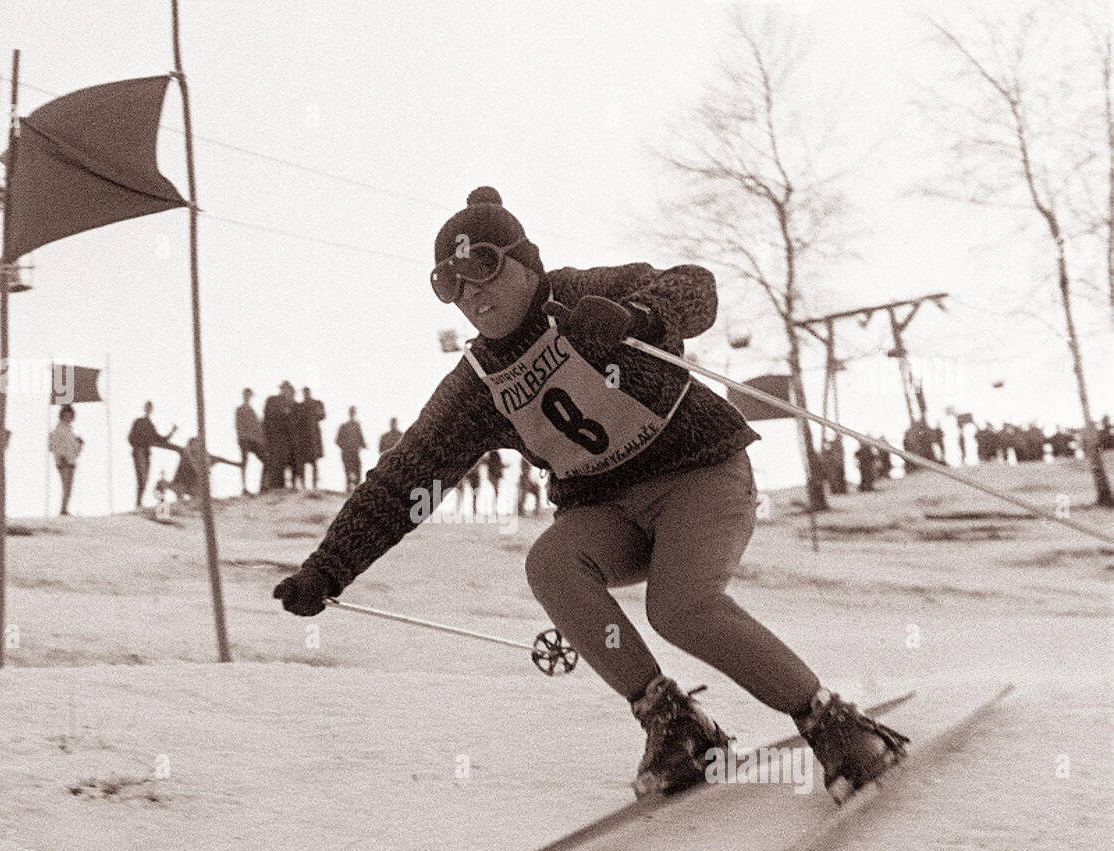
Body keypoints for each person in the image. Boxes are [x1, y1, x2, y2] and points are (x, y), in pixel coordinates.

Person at [273, 186, 905, 802]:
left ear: (524, 260)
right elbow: (405, 478)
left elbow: (697, 288)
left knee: (678, 607)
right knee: (550, 564)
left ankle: (830, 720)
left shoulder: (582, 297)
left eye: (482, 269)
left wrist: (640, 318)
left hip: (699, 473)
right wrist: (328, 569)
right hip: (607, 510)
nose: (471, 294)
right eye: (449, 283)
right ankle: (675, 723)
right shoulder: (478, 384)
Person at [128, 401, 176, 509]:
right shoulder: (139, 422)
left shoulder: (150, 424)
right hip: (139, 451)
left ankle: (139, 503)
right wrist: (140, 444)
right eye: (148, 407)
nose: (149, 409)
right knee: (142, 478)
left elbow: (160, 439)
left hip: (145, 453)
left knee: (144, 479)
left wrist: (172, 432)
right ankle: (138, 503)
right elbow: (131, 438)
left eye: (150, 407)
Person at [262, 382, 299, 491]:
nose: (286, 391)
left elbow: (294, 422)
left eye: (289, 390)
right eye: (285, 389)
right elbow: (267, 418)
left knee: (285, 462)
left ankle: (281, 487)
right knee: (273, 462)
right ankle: (269, 487)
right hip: (274, 437)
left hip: (286, 439)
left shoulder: (292, 404)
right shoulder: (272, 400)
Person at [48, 405, 83, 516]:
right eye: (66, 415)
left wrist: (79, 444)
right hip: (64, 461)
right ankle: (63, 509)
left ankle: (64, 508)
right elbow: (53, 446)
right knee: (66, 486)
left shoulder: (70, 430)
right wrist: (60, 456)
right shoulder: (58, 429)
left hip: (71, 460)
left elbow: (74, 449)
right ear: (62, 415)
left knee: (69, 487)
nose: (68, 417)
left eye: (70, 415)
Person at [235, 388, 266, 495]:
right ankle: (244, 487)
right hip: (245, 439)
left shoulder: (251, 410)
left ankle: (263, 486)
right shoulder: (240, 409)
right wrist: (242, 438)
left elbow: (257, 427)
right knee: (244, 462)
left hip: (253, 440)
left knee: (265, 460)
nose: (248, 397)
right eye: (247, 395)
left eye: (249, 395)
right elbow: (239, 426)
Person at [296, 386, 326, 490]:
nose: (306, 394)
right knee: (303, 462)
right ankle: (304, 485)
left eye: (307, 392)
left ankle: (314, 485)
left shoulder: (317, 403)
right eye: (305, 393)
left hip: (313, 436)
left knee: (314, 462)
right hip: (303, 437)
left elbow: (322, 415)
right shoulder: (299, 406)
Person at [335, 407, 367, 493]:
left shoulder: (357, 425)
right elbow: (337, 440)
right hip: (346, 453)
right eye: (351, 412)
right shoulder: (343, 426)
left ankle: (356, 488)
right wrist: (345, 447)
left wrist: (363, 445)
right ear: (349, 413)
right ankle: (349, 488)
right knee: (348, 470)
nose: (352, 414)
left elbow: (361, 438)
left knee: (357, 469)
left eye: (354, 412)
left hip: (355, 452)